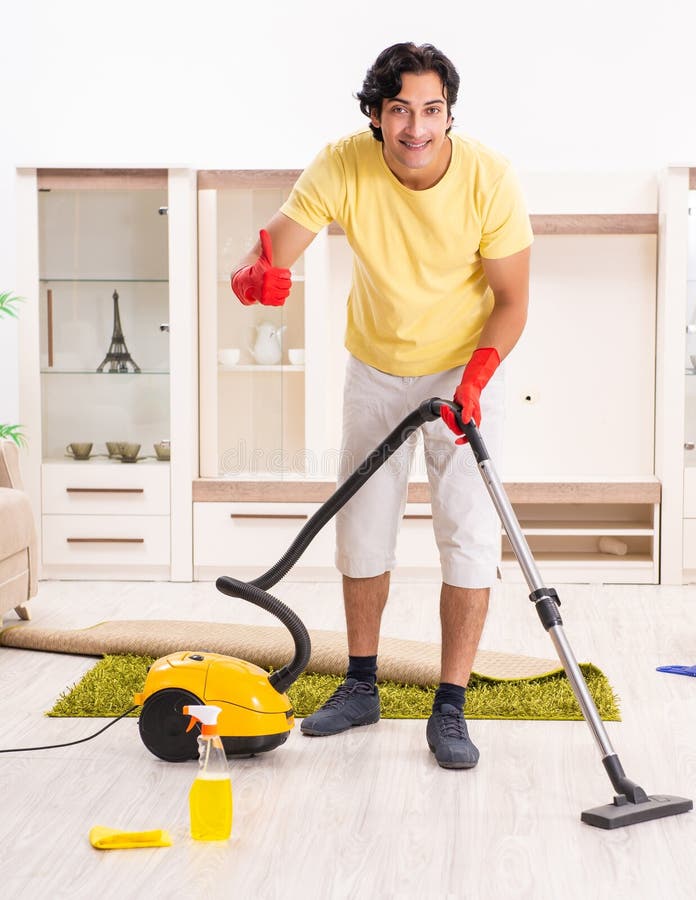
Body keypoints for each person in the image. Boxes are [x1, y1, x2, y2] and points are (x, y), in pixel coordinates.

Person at [230, 42, 532, 769]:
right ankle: (361, 686)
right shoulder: (341, 163)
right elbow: (271, 250)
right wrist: (254, 277)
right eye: (400, 110)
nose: (416, 128)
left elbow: (513, 299)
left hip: (463, 368)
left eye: (431, 110)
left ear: (449, 114)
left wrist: (474, 380)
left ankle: (449, 707)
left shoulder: (489, 176)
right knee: (361, 531)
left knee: (466, 535)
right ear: (375, 115)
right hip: (375, 366)